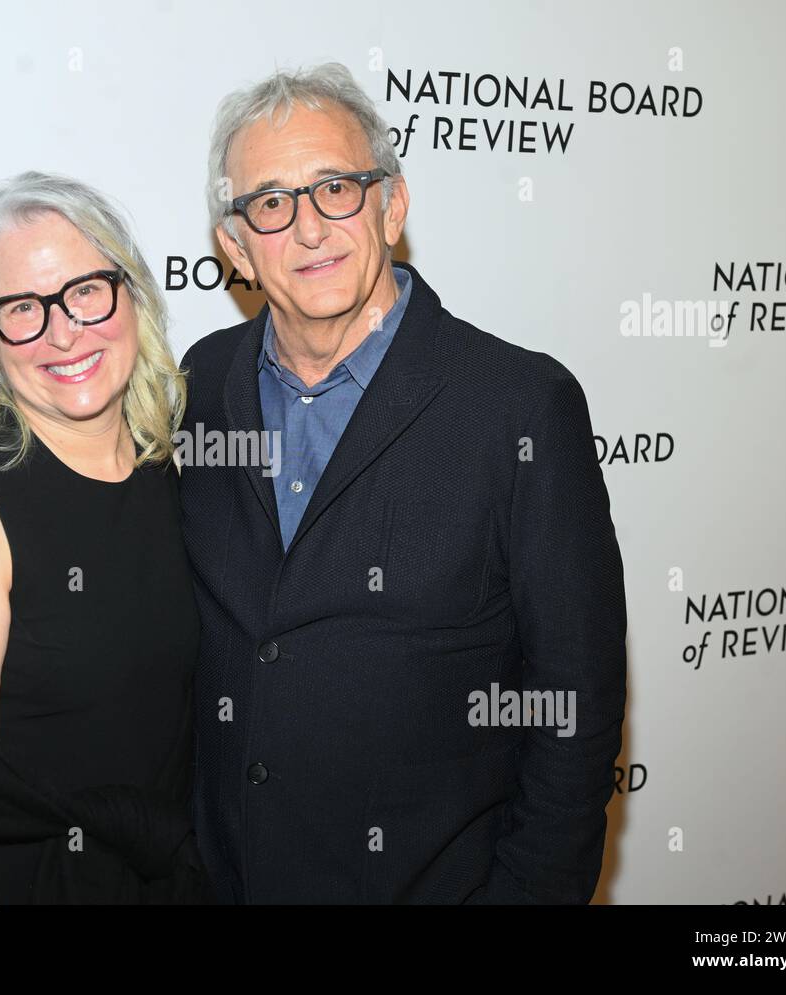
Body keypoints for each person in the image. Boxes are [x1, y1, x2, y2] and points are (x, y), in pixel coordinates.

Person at [179, 63, 628, 903]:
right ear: (236, 246)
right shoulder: (202, 383)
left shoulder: (520, 405)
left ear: (392, 205)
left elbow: (572, 703)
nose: (309, 229)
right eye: (271, 203)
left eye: (336, 189)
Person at [0, 171, 211, 904]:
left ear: (132, 294)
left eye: (85, 290)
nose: (63, 331)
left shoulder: (172, 472)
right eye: (22, 308)